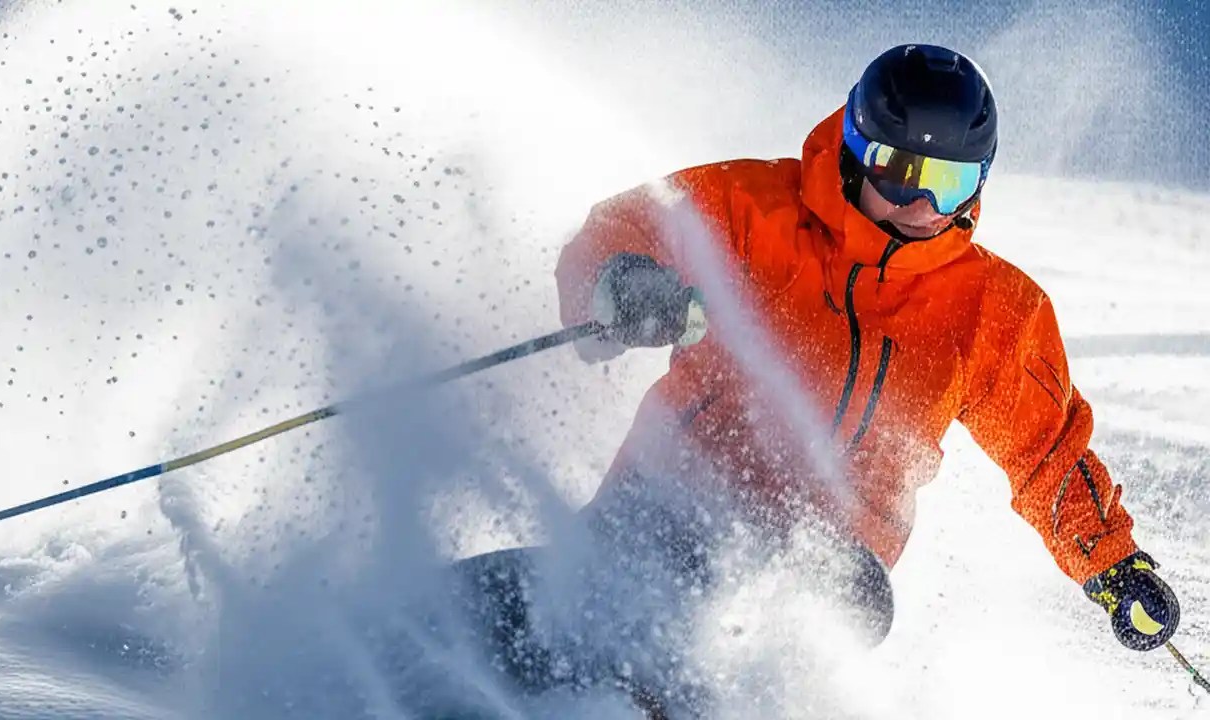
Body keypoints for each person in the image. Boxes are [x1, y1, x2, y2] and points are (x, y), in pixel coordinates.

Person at [455, 43, 1180, 712]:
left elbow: (1048, 455)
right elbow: (621, 229)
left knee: (831, 606)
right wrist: (622, 284)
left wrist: (1112, 566)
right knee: (622, 585)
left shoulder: (993, 310)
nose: (919, 206)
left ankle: (696, 693)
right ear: (859, 150)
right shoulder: (757, 210)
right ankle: (479, 636)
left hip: (833, 555)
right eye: (899, 173)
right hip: (671, 492)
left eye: (948, 183)